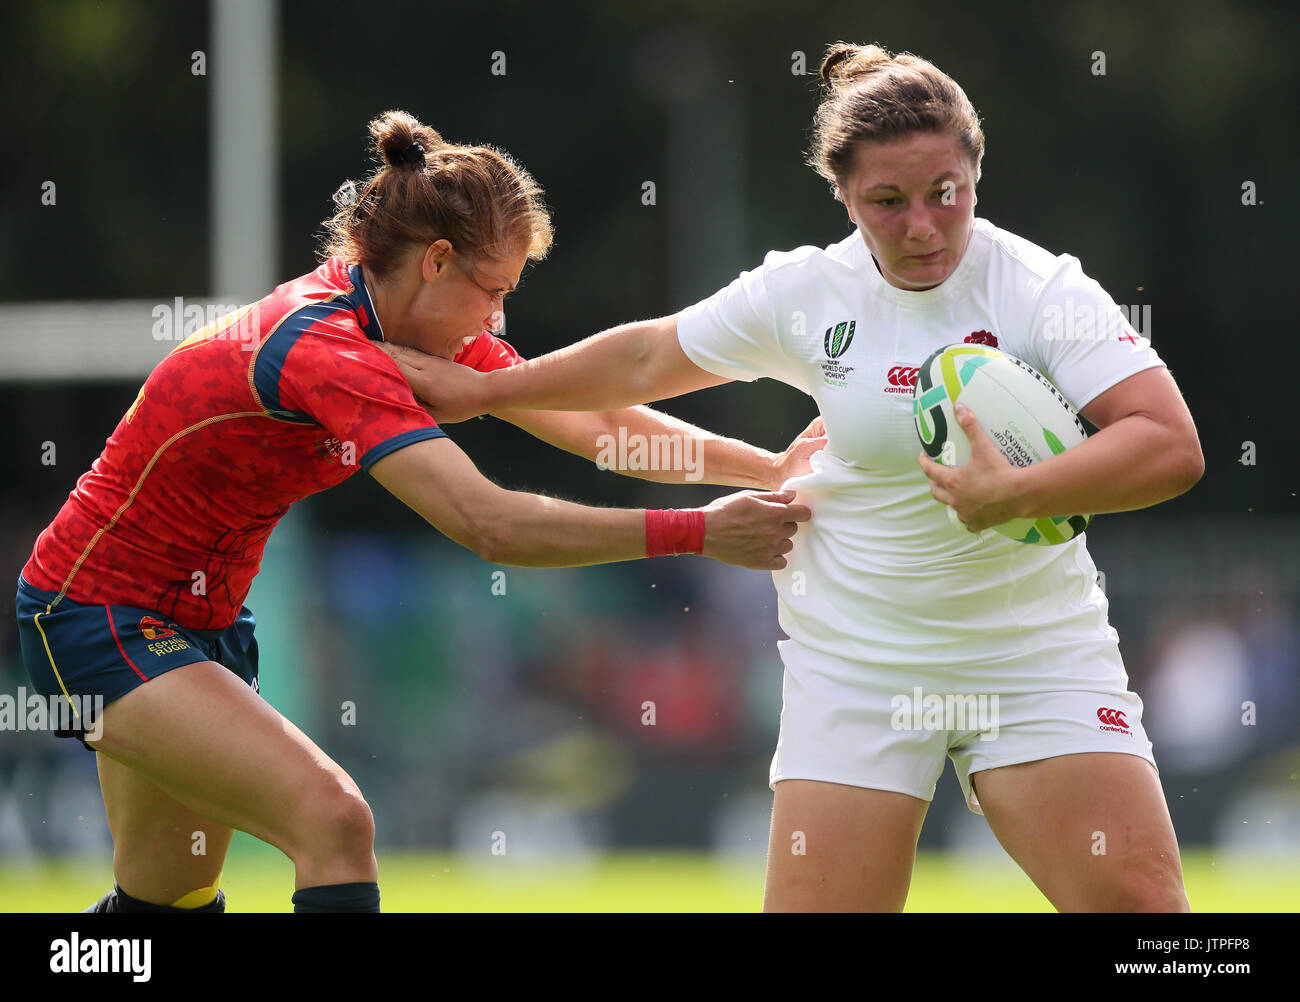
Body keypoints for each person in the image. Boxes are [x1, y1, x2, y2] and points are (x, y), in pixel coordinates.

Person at [382, 45, 1205, 912]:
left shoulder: (1043, 291)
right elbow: (645, 358)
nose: (923, 225)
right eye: (888, 202)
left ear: (975, 172)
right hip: (860, 662)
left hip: (1034, 655)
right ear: (845, 198)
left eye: (946, 193)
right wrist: (490, 388)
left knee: (1146, 923)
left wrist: (1020, 494)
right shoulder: (806, 292)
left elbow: (1169, 444)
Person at [12, 110, 814, 914]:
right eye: (493, 291)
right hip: (93, 612)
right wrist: (700, 533)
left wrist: (766, 466)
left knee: (159, 910)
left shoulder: (413, 328)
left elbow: (600, 427)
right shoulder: (328, 349)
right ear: (436, 262)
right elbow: (488, 524)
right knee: (334, 820)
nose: (497, 320)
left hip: (201, 624)